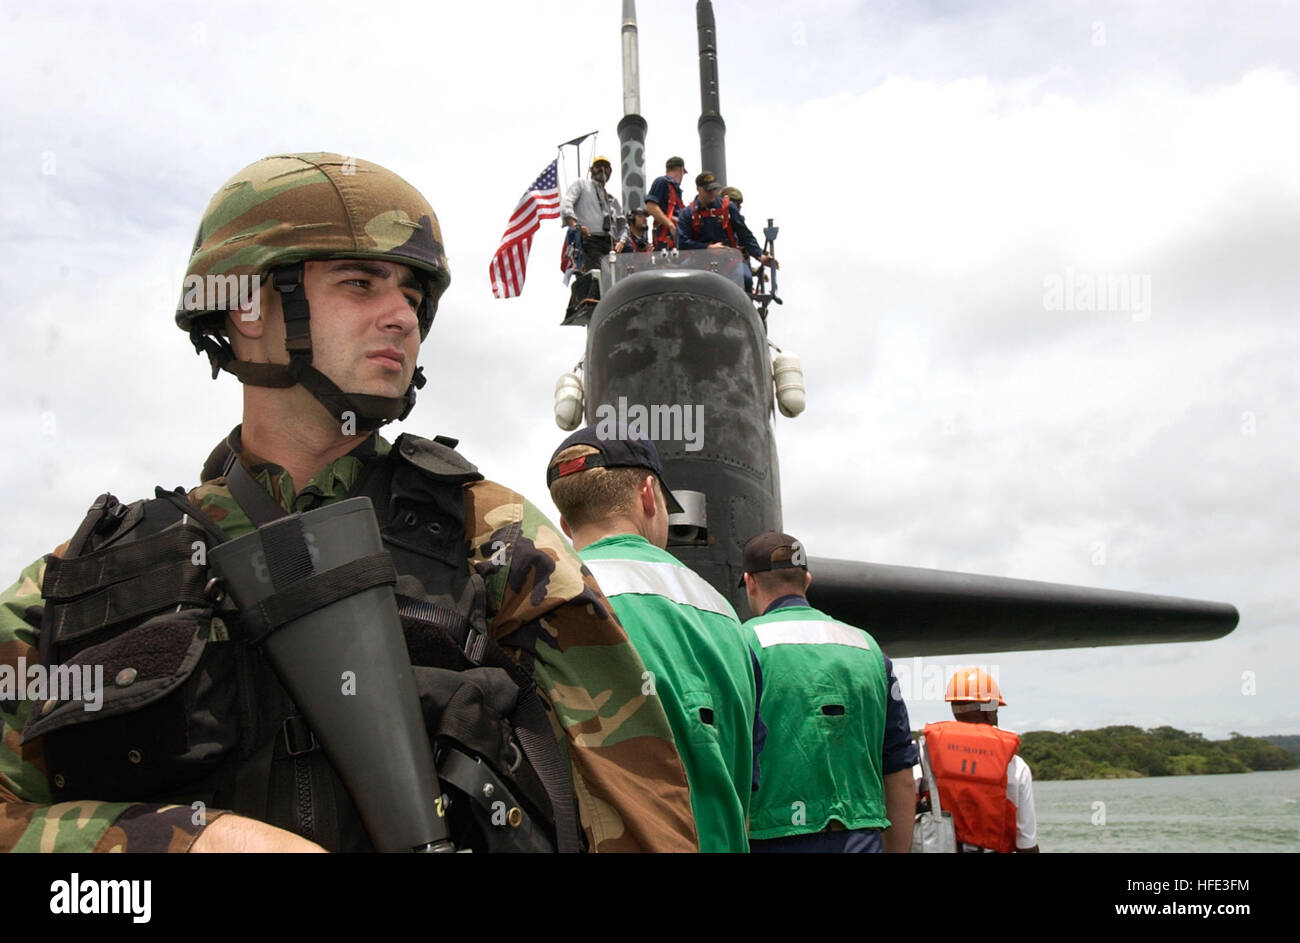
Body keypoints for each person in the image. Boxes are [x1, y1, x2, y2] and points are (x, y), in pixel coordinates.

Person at [0, 152, 699, 854]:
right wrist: (183, 841)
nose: (402, 316)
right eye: (361, 283)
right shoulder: (83, 580)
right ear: (248, 308)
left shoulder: (495, 538)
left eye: (413, 295)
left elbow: (644, 818)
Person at [546, 426, 764, 853]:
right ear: (649, 495)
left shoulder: (536, 600)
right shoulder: (722, 614)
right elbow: (749, 777)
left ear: (565, 524)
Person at [741, 532, 918, 853]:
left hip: (771, 839)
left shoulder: (741, 644)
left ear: (749, 582)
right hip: (861, 839)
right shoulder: (868, 648)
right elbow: (900, 772)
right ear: (806, 580)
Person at [920, 668, 1039, 853]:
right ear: (990, 711)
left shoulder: (923, 754)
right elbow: (1027, 845)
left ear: (954, 710)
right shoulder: (1016, 767)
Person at [676, 173, 777, 295]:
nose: (712, 193)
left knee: (745, 278)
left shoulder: (728, 208)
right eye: (708, 190)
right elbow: (682, 243)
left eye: (714, 189)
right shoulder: (687, 214)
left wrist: (761, 256)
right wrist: (707, 248)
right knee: (679, 280)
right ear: (698, 189)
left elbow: (745, 235)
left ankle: (743, 309)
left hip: (728, 261)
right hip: (698, 263)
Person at [645, 155, 687, 250]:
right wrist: (671, 225)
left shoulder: (675, 189)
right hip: (666, 239)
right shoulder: (662, 181)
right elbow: (650, 207)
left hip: (674, 239)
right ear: (681, 170)